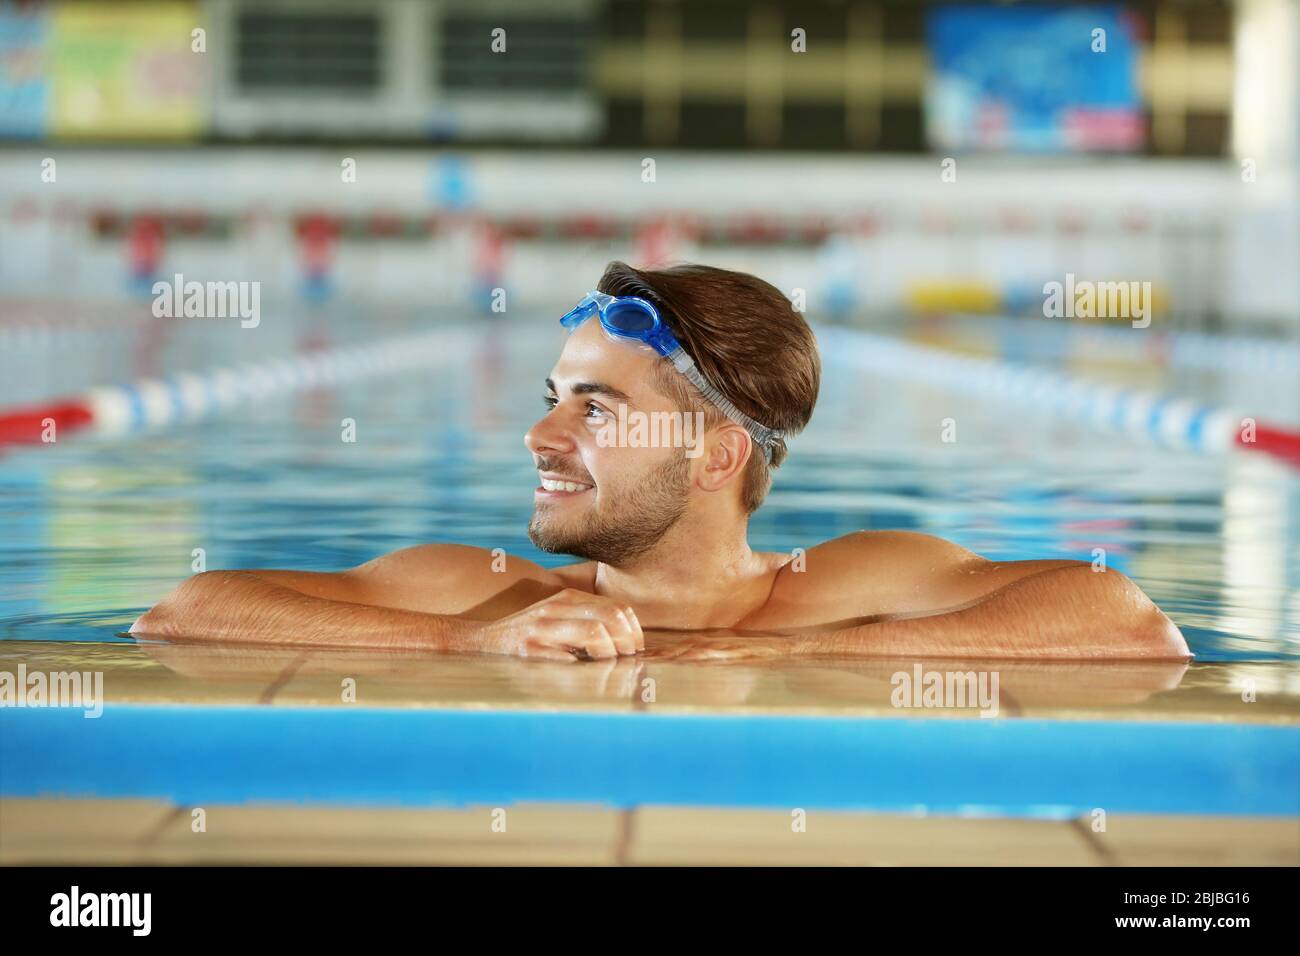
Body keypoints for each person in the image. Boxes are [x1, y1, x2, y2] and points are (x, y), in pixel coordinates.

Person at [131, 261, 1190, 662]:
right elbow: (185, 609)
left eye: (595, 409)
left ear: (717, 451)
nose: (541, 438)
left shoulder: (844, 585)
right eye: (552, 401)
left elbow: (1128, 620)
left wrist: (776, 658)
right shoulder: (495, 596)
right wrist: (466, 644)